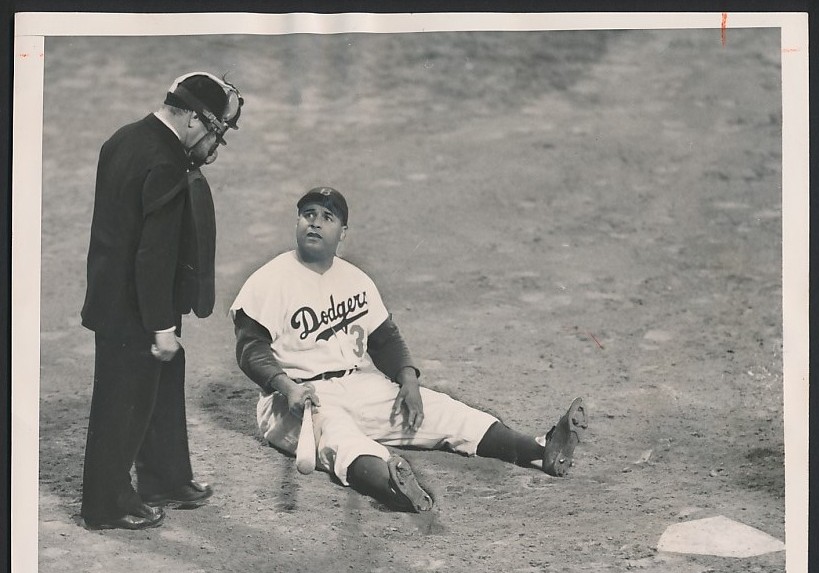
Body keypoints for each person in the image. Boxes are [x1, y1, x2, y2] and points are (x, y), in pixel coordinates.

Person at [230, 187, 588, 512]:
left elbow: (384, 339)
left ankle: (540, 450)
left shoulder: (356, 279)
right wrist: (286, 385)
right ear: (297, 221)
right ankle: (391, 485)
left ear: (342, 233)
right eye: (308, 214)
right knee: (341, 438)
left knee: (443, 410)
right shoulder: (269, 280)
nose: (315, 223)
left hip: (358, 383)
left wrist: (407, 381)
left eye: (327, 217)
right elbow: (250, 350)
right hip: (295, 398)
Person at [79, 72, 244, 530]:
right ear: (193, 118)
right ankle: (105, 504)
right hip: (136, 308)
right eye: (214, 132)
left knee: (160, 383)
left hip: (114, 297)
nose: (213, 144)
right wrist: (160, 325)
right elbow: (153, 254)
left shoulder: (122, 139)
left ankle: (166, 478)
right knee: (123, 403)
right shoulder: (166, 162)